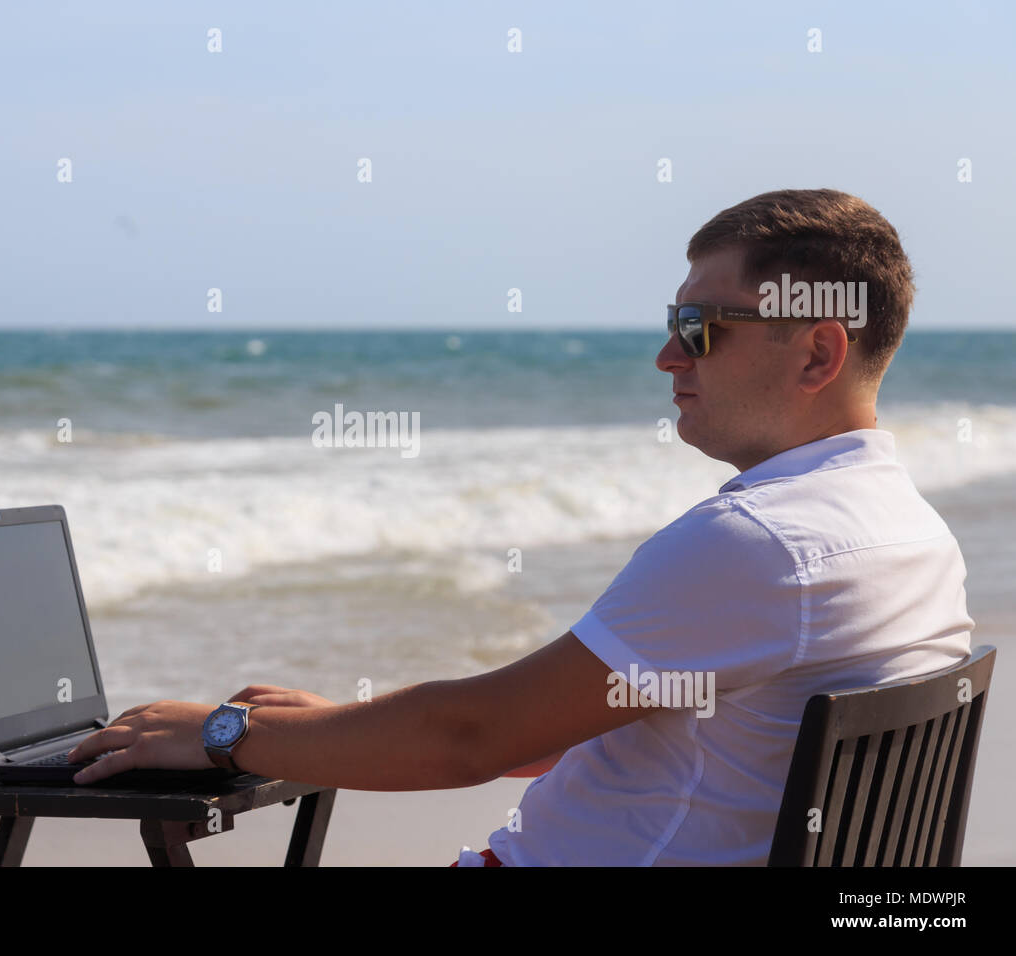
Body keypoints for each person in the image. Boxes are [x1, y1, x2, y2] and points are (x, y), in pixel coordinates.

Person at [67, 189, 974, 866]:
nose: (667, 356)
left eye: (700, 327)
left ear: (817, 349)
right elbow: (556, 724)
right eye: (673, 324)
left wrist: (224, 737)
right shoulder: (911, 536)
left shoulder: (760, 543)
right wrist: (334, 724)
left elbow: (472, 740)